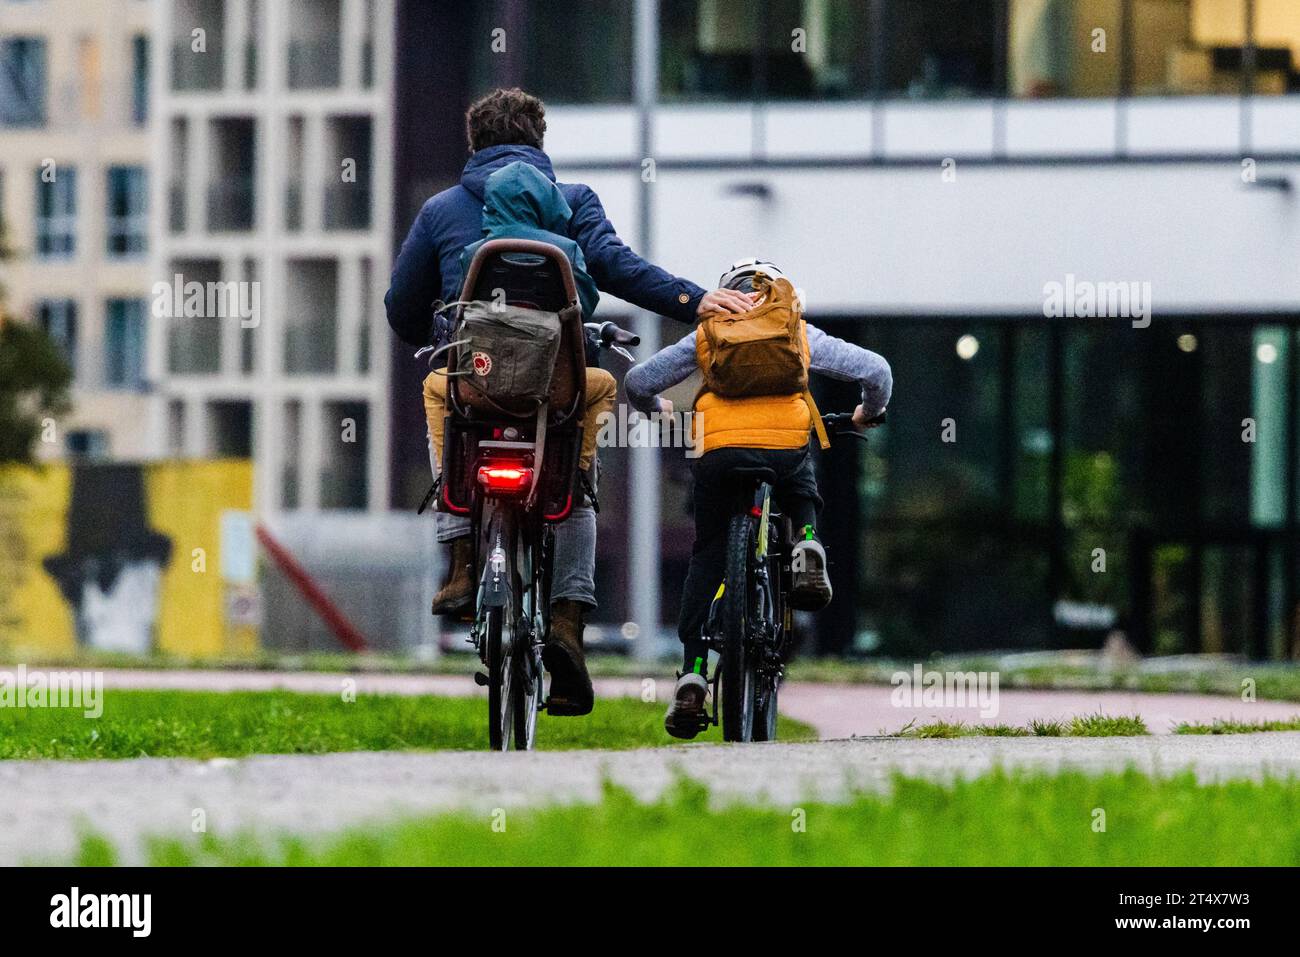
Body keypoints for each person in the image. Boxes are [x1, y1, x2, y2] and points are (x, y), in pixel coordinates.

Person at [386, 88, 752, 715]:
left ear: (474, 144)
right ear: (540, 143)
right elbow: (615, 266)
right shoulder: (573, 203)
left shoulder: (441, 208)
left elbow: (400, 306)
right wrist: (693, 301)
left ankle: (461, 556)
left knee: (439, 392)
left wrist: (443, 335)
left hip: (474, 383)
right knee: (572, 480)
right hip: (557, 390)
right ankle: (566, 621)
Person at [624, 259, 893, 738]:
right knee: (801, 474)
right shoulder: (796, 329)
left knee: (707, 554)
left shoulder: (708, 332)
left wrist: (658, 409)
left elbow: (639, 382)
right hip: (783, 445)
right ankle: (808, 541)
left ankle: (692, 673)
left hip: (718, 450)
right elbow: (877, 369)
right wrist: (866, 413)